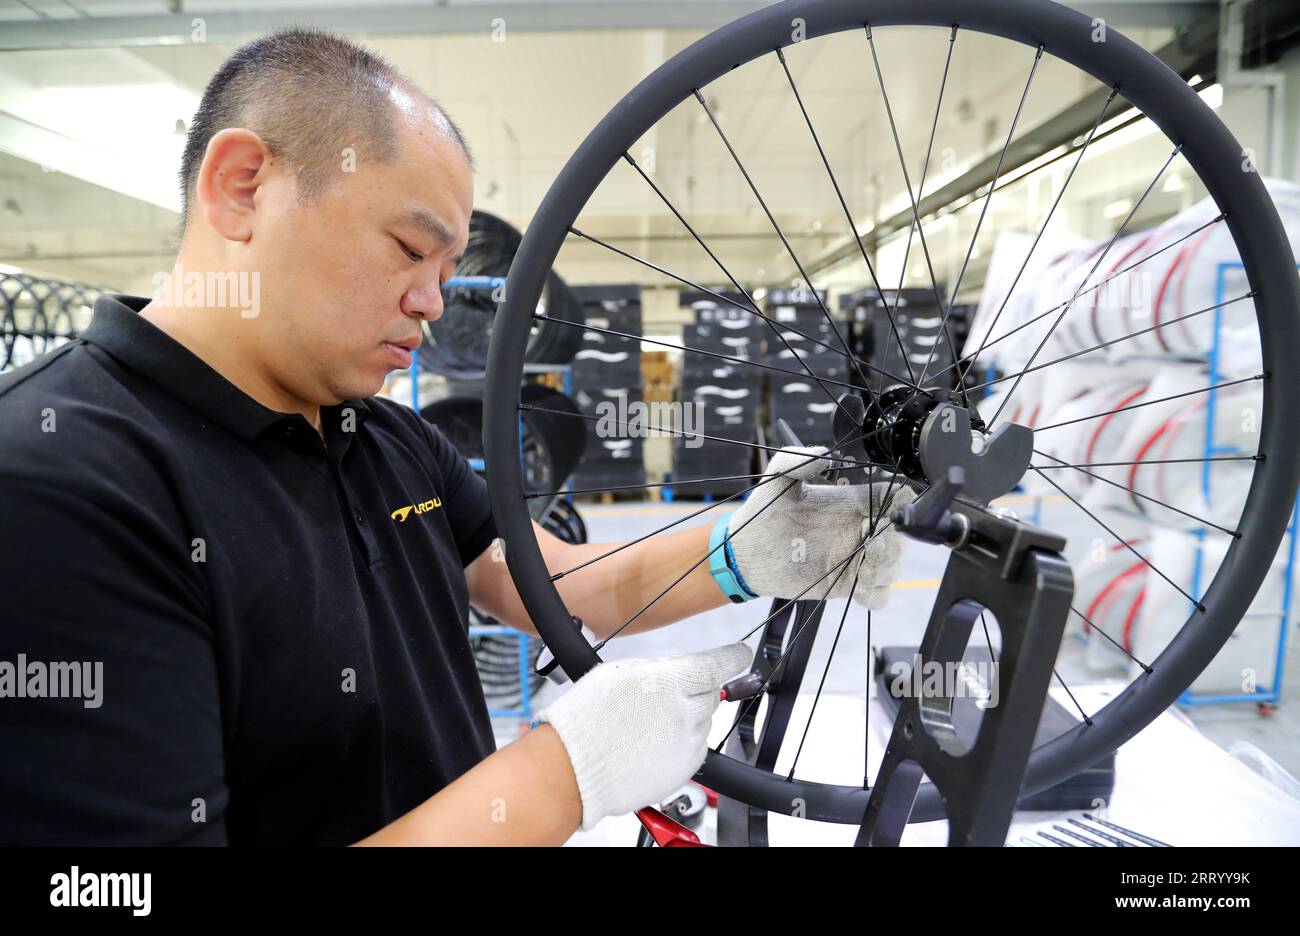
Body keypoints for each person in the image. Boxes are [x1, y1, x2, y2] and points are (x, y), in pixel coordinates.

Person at [0, 28, 907, 845]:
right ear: (244, 188)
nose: (435, 304)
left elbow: (549, 581)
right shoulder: (54, 479)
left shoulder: (390, 439)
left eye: (447, 268)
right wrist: (562, 776)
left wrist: (748, 547)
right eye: (408, 249)